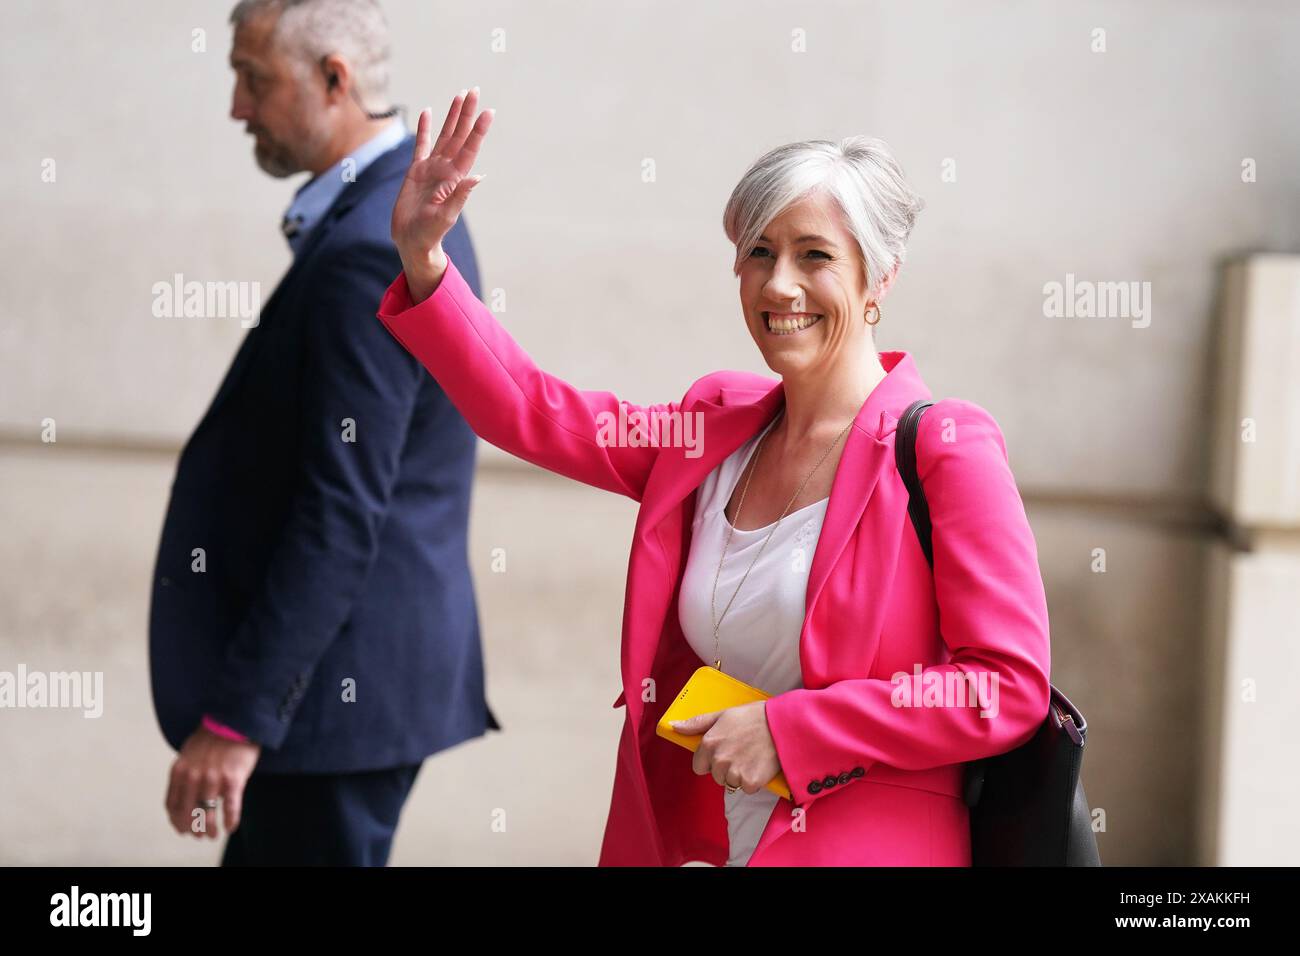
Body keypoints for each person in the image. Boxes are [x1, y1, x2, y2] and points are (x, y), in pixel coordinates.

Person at [378, 91, 1051, 866]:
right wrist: (427, 261)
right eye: (758, 252)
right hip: (707, 844)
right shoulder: (713, 426)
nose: (778, 285)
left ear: (881, 278)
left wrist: (794, 730)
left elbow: (1001, 686)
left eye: (815, 254)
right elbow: (535, 412)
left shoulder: (947, 446)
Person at [150, 0, 497, 866]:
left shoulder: (373, 247)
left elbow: (340, 513)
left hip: (335, 706)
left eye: (254, 79)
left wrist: (237, 719)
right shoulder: (389, 219)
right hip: (346, 696)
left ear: (334, 79)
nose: (238, 108)